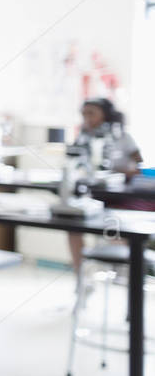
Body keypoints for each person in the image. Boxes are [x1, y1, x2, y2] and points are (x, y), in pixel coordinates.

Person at [68, 97, 144, 273]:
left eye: (91, 113)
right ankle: (81, 276)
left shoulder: (122, 137)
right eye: (84, 114)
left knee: (115, 226)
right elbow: (75, 162)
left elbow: (139, 166)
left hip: (120, 195)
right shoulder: (84, 137)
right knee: (72, 227)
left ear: (105, 115)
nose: (87, 118)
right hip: (93, 194)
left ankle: (122, 272)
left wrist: (122, 172)